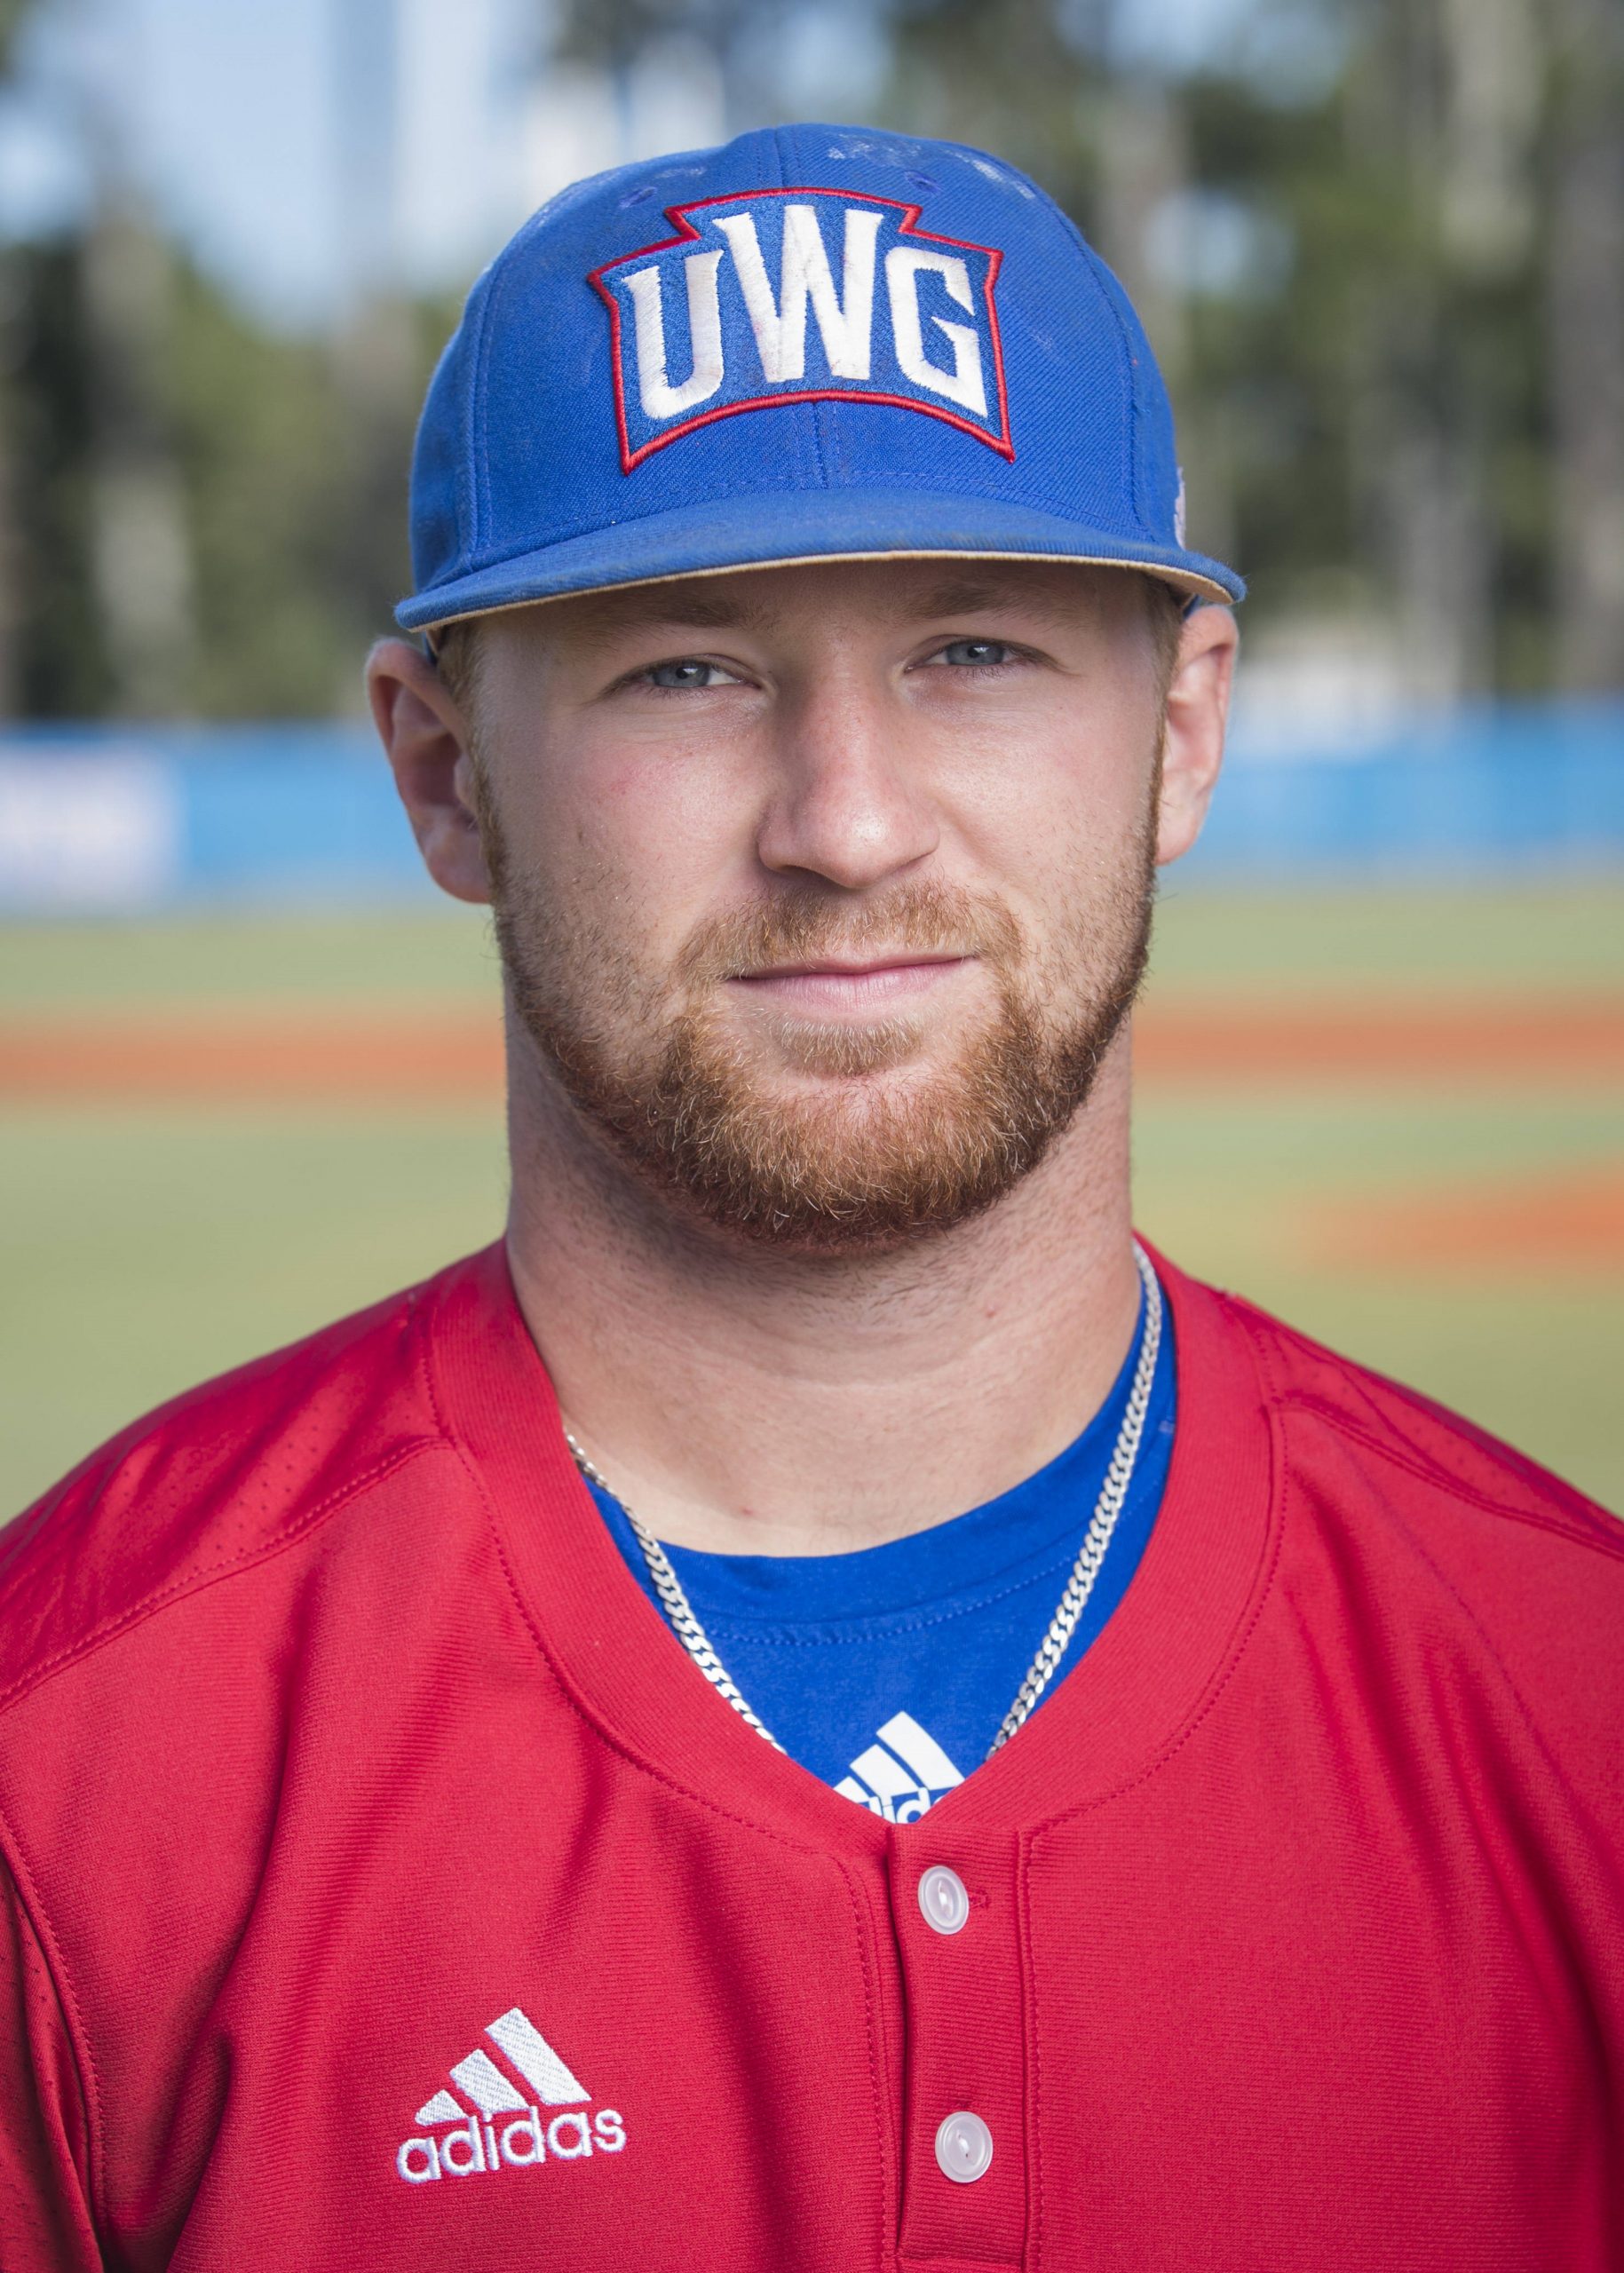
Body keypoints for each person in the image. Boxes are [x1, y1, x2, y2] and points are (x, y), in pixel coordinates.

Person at [1, 123, 1620, 2272]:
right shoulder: (76, 1755)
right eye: (689, 666)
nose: (846, 822)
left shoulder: (1570, 1688)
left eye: (976, 650)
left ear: (1186, 731)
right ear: (441, 767)